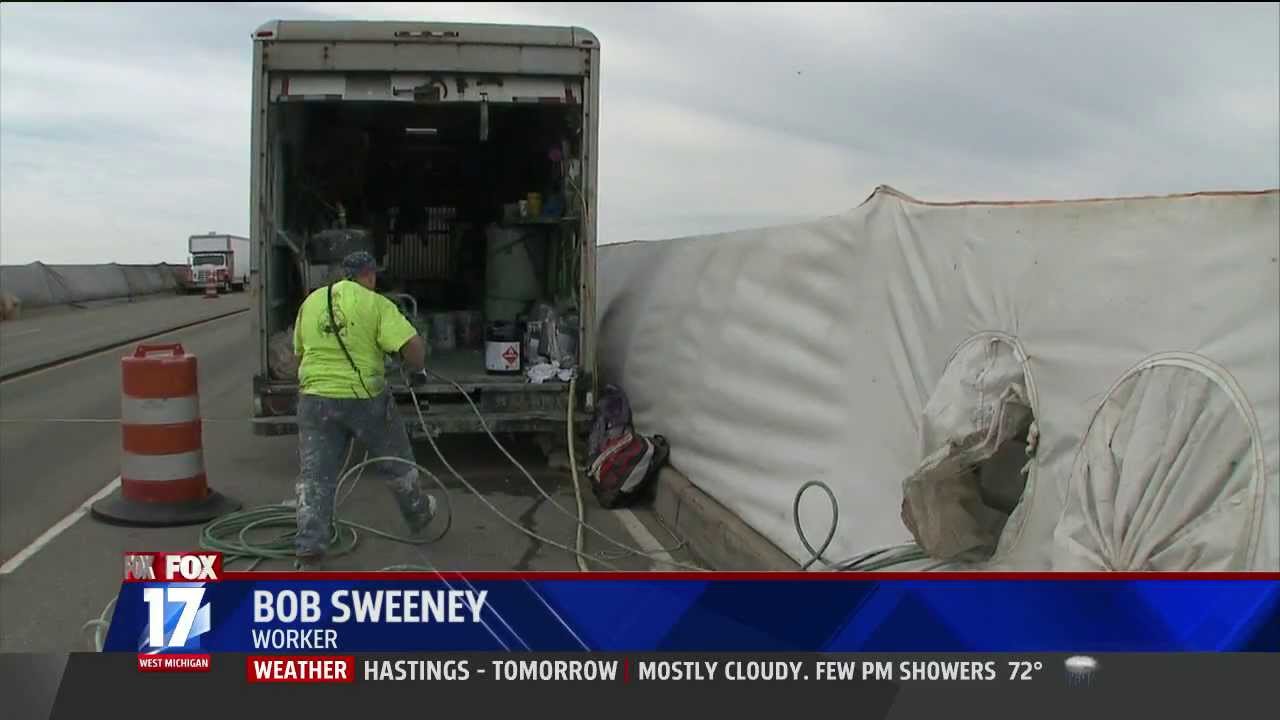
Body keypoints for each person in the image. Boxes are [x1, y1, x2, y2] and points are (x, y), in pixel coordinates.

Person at [291, 250, 435, 567]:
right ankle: (419, 514)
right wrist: (417, 370)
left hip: (314, 399)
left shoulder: (312, 301)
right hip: (364, 398)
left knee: (316, 476)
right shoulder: (376, 303)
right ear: (368, 275)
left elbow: (298, 352)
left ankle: (310, 546)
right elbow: (412, 346)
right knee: (396, 460)